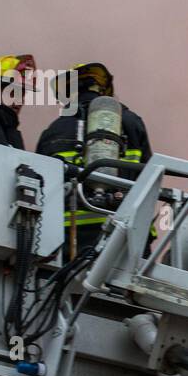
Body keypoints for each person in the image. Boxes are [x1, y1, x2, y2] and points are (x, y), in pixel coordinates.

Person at [36, 62, 152, 251]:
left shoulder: (52, 132)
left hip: (66, 241)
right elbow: (149, 178)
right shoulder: (131, 122)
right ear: (103, 90)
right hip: (125, 236)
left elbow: (42, 187)